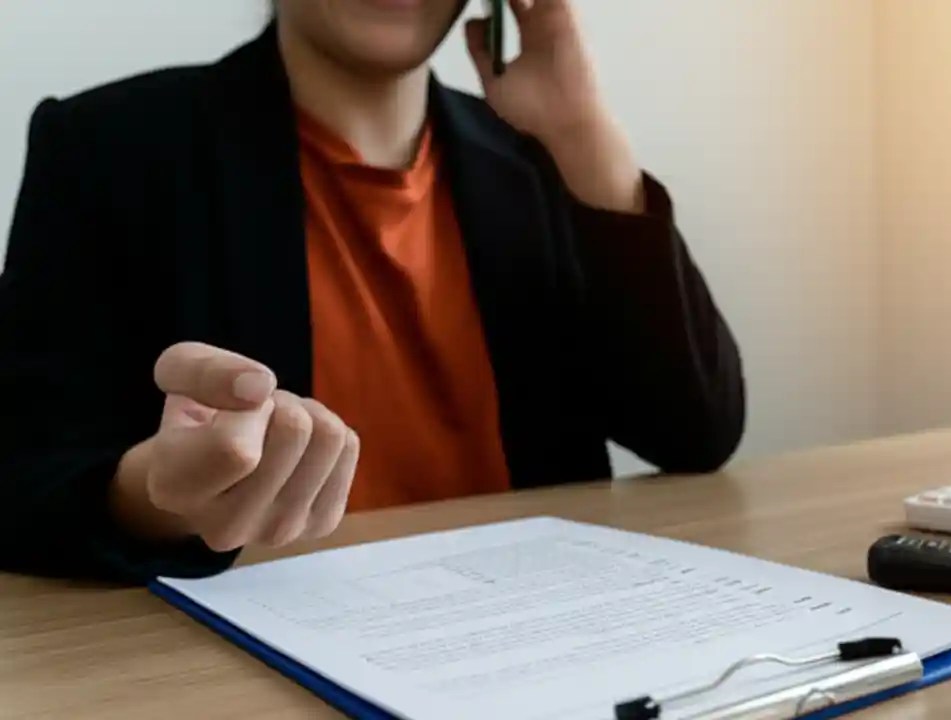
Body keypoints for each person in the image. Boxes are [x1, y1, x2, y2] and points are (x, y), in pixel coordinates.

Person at [0, 0, 744, 583]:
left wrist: (582, 132)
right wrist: (154, 497)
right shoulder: (107, 148)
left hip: (534, 637)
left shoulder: (540, 155)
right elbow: (20, 478)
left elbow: (696, 432)